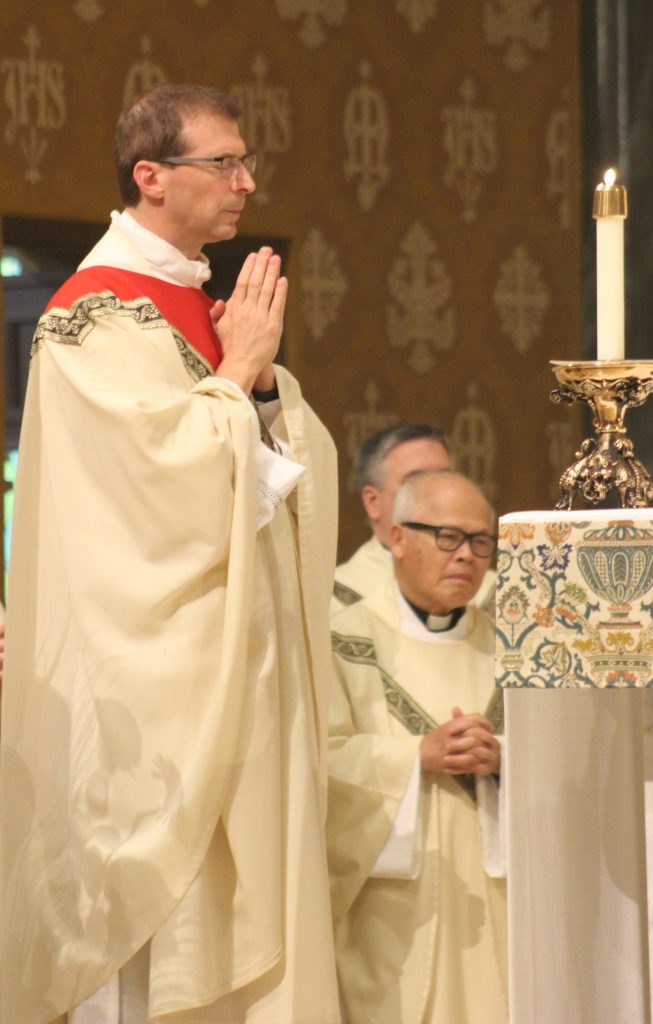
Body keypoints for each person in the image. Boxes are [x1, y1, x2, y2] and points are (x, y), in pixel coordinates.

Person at [0, 84, 340, 1024]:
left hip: (247, 676)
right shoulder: (89, 322)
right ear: (150, 176)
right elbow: (144, 504)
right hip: (156, 706)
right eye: (223, 163)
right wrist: (237, 379)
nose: (247, 181)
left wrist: (263, 388)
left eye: (245, 161)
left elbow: (277, 468)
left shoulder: (201, 310)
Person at [327, 470, 507, 1024]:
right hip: (393, 922)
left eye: (481, 542)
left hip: (499, 918)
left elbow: (567, 771)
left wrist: (504, 760)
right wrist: (413, 758)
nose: (468, 557)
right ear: (398, 539)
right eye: (448, 537)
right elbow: (315, 766)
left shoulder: (514, 645)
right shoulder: (342, 639)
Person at [332, 424, 495, 612]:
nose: (436, 495)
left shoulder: (496, 595)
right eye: (415, 481)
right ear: (373, 502)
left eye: (444, 479)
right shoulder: (338, 599)